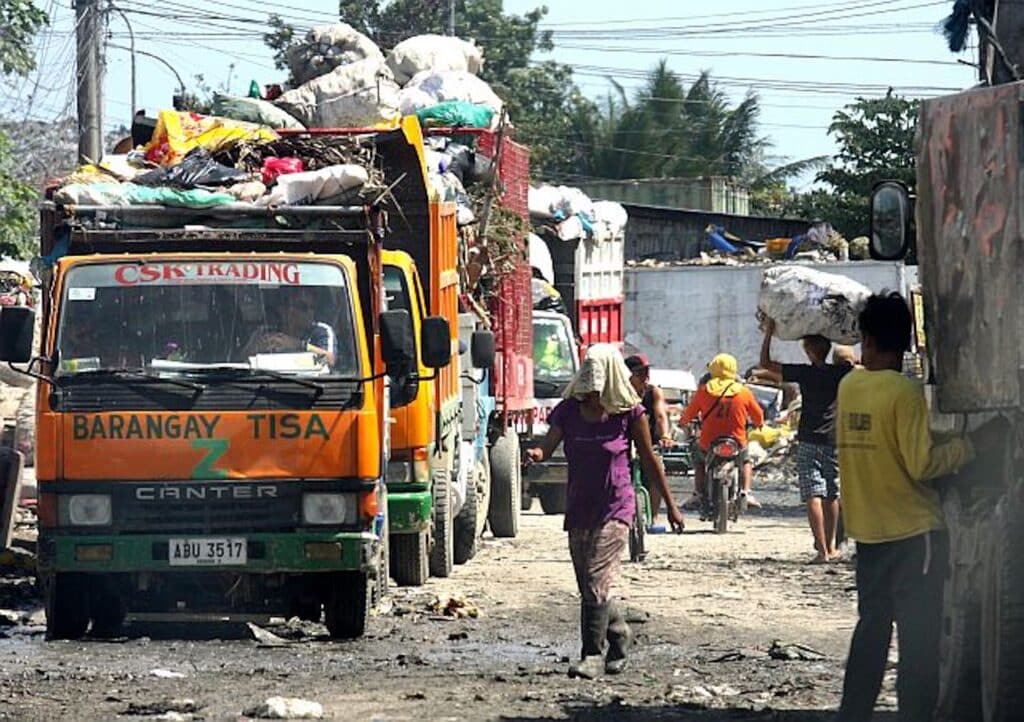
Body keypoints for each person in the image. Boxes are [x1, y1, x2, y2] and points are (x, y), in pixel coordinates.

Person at [834, 292, 1002, 722]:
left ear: (867, 340)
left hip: (868, 534)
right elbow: (922, 463)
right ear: (905, 342)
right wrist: (970, 446)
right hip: (915, 537)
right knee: (918, 643)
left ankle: (852, 714)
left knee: (870, 632)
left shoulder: (849, 386)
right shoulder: (903, 393)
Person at [526, 344, 684, 679]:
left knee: (597, 579)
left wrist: (671, 506)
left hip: (616, 504)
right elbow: (549, 444)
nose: (594, 388)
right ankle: (619, 633)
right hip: (580, 505)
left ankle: (591, 655)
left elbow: (650, 459)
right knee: (588, 584)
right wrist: (537, 453)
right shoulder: (569, 410)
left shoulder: (630, 413)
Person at [760, 320, 851, 563]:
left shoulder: (804, 372)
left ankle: (821, 551)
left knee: (813, 492)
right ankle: (831, 548)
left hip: (808, 438)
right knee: (832, 492)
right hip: (832, 439)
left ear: (809, 351)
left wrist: (769, 333)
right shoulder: (840, 373)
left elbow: (765, 364)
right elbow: (860, 366)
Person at [678, 353, 765, 513]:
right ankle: (746, 492)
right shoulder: (744, 392)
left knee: (699, 460)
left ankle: (698, 493)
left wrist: (682, 422)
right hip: (737, 441)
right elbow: (758, 414)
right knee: (746, 460)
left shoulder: (704, 391)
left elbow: (689, 414)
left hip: (708, 442)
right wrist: (759, 424)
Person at [624, 354, 673, 527]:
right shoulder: (618, 393)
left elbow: (660, 416)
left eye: (646, 373)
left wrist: (665, 435)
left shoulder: (653, 392)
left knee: (657, 469)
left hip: (648, 442)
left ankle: (653, 517)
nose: (645, 378)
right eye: (640, 373)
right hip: (623, 443)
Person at [243, 288, 337, 365]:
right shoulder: (265, 331)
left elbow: (329, 361)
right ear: (283, 310)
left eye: (312, 307)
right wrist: (256, 348)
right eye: (303, 307)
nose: (310, 312)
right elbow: (239, 359)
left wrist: (299, 345)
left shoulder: (321, 331)